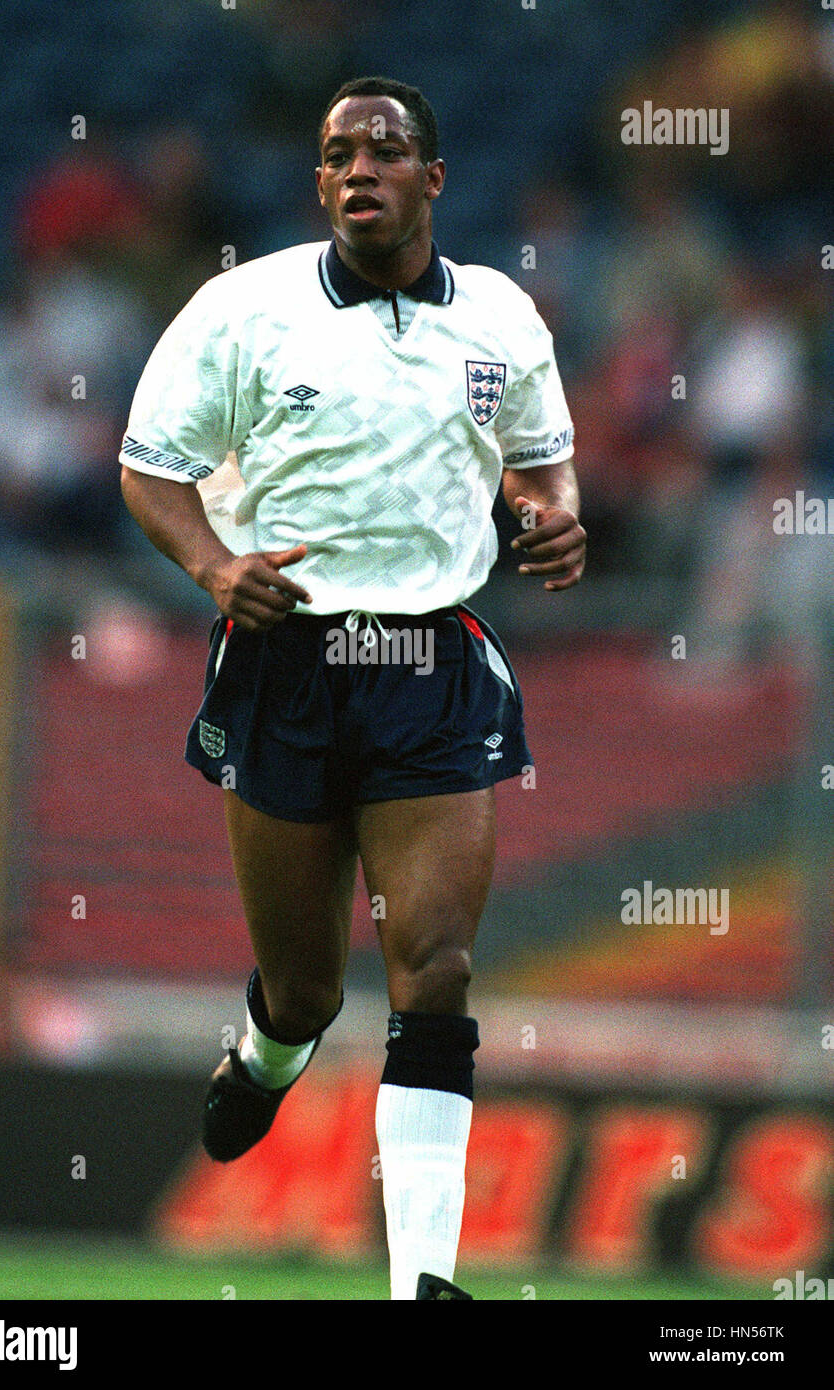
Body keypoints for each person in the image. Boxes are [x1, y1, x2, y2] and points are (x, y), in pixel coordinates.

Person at [119, 76, 585, 1300]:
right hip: (287, 659)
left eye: (383, 149)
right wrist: (215, 567)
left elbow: (542, 466)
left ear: (433, 177)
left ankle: (420, 1281)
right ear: (320, 182)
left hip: (431, 664)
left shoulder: (499, 319)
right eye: (336, 155)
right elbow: (148, 468)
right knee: (308, 987)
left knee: (435, 967)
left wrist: (552, 517)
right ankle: (266, 1056)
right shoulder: (243, 310)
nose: (358, 169)